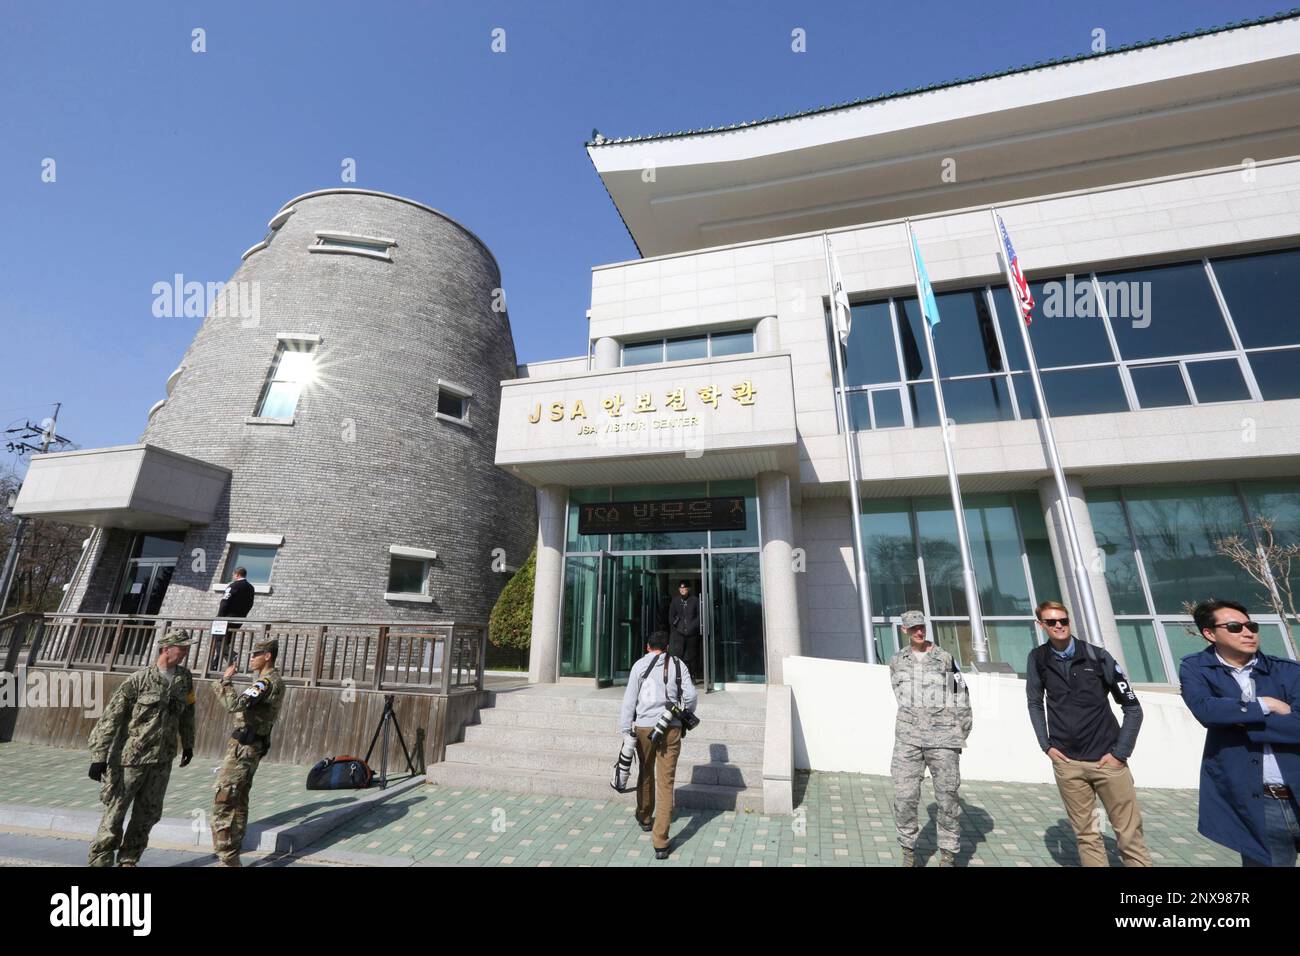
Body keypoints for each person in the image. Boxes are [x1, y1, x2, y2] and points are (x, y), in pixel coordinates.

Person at [1026, 599, 1151, 867]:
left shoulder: (1097, 656)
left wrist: (1120, 753)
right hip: (1068, 764)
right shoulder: (1038, 658)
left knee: (1129, 835)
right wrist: (1046, 746)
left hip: (1108, 763)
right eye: (1051, 622)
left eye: (1063, 620)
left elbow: (1133, 708)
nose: (1059, 625)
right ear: (1041, 625)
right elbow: (1035, 702)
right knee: (1087, 835)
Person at [1179, 599, 1300, 867]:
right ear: (1209, 634)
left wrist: (1239, 720)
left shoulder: (1289, 671)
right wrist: (1266, 705)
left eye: (1251, 625)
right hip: (1260, 803)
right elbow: (1206, 711)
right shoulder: (1196, 668)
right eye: (1235, 627)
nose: (1248, 632)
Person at [86, 629, 196, 867]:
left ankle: (129, 860)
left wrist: (188, 744)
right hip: (130, 760)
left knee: (148, 814)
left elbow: (188, 714)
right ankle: (100, 861)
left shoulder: (184, 679)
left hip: (162, 759)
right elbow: (110, 718)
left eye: (187, 647)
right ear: (166, 649)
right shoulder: (138, 680)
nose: (186, 651)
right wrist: (99, 757)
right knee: (115, 813)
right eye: (182, 647)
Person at [889, 610, 971, 867]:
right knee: (904, 796)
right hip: (908, 740)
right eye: (913, 628)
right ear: (904, 630)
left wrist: (960, 730)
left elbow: (961, 693)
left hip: (944, 739)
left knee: (947, 797)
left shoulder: (944, 658)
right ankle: (908, 851)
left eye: (922, 627)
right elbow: (898, 692)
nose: (919, 632)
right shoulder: (897, 661)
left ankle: (947, 854)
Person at [618, 629, 698, 860]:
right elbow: (691, 697)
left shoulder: (639, 666)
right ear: (667, 647)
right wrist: (684, 715)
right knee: (666, 782)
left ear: (647, 646)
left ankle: (644, 816)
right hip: (670, 727)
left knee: (645, 771)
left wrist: (626, 730)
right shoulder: (678, 664)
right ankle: (660, 841)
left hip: (643, 726)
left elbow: (629, 700)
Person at [211, 636, 285, 867]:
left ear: (267, 656)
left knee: (224, 799)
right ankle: (232, 857)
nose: (251, 659)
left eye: (255, 655)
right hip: (252, 746)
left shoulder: (265, 682)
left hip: (244, 749)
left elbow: (234, 705)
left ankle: (227, 858)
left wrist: (225, 681)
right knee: (239, 800)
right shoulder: (270, 680)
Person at [211, 566, 255, 668]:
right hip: (239, 619)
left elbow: (225, 601)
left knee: (218, 639)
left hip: (226, 618)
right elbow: (250, 604)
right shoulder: (251, 588)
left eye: (234, 575)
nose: (233, 576)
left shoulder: (233, 585)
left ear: (237, 574)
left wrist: (219, 617)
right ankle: (215, 664)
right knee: (225, 642)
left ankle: (232, 655)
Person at [668, 579, 702, 682]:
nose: (682, 590)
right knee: (679, 655)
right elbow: (671, 616)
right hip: (679, 633)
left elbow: (700, 616)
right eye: (681, 588)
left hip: (692, 633)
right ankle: (678, 676)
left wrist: (692, 627)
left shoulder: (695, 600)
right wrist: (678, 626)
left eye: (684, 588)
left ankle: (692, 676)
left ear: (689, 589)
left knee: (692, 655)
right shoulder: (675, 600)